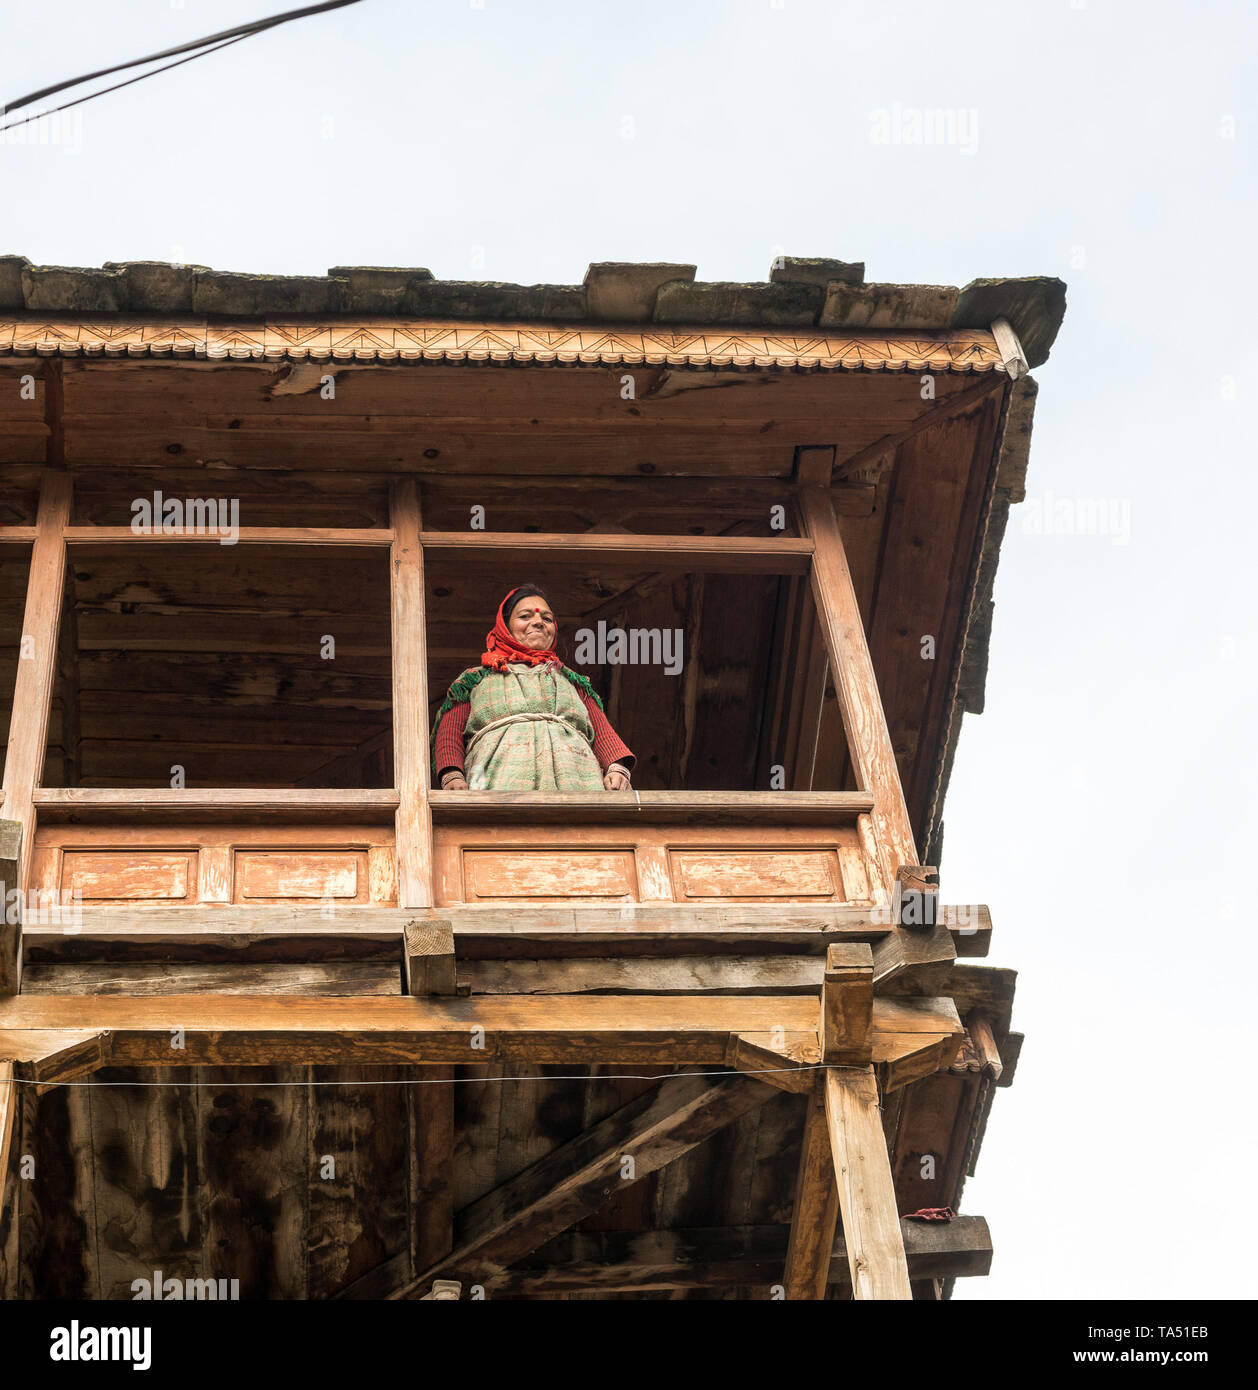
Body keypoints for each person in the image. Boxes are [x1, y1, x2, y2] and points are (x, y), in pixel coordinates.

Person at [431, 584, 635, 792]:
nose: (538, 622)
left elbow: (602, 732)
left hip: (578, 782)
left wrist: (617, 768)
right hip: (494, 783)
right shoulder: (474, 680)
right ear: (505, 626)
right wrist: (452, 775)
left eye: (547, 619)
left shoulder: (573, 682)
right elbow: (449, 733)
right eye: (525, 616)